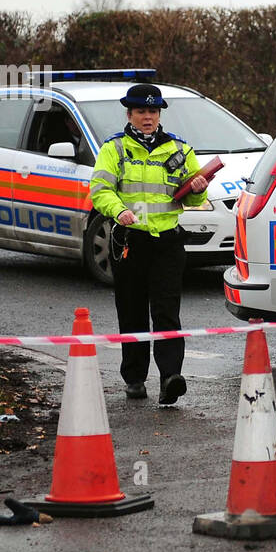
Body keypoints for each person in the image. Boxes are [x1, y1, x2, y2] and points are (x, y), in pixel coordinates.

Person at [89, 83, 208, 405]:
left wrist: (197, 187)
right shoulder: (114, 149)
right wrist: (119, 211)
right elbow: (99, 190)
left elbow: (197, 195)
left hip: (167, 242)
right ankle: (135, 378)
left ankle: (170, 377)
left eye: (153, 111)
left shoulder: (179, 150)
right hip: (130, 241)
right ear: (129, 114)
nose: (147, 117)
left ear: (159, 115)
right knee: (132, 311)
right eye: (141, 111)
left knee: (167, 311)